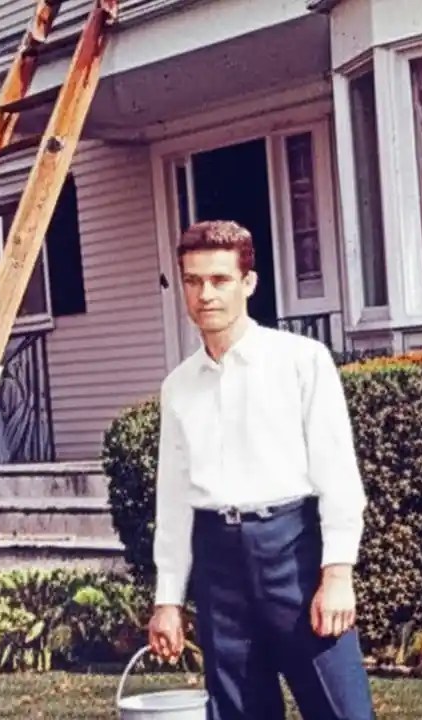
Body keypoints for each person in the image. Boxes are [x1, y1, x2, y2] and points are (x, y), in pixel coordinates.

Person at [146, 220, 375, 720]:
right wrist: (168, 600)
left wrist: (337, 573)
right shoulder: (178, 387)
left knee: (343, 711)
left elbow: (338, 473)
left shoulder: (300, 361)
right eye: (192, 281)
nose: (205, 294)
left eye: (220, 280)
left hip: (292, 553)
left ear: (248, 283)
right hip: (217, 565)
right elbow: (173, 500)